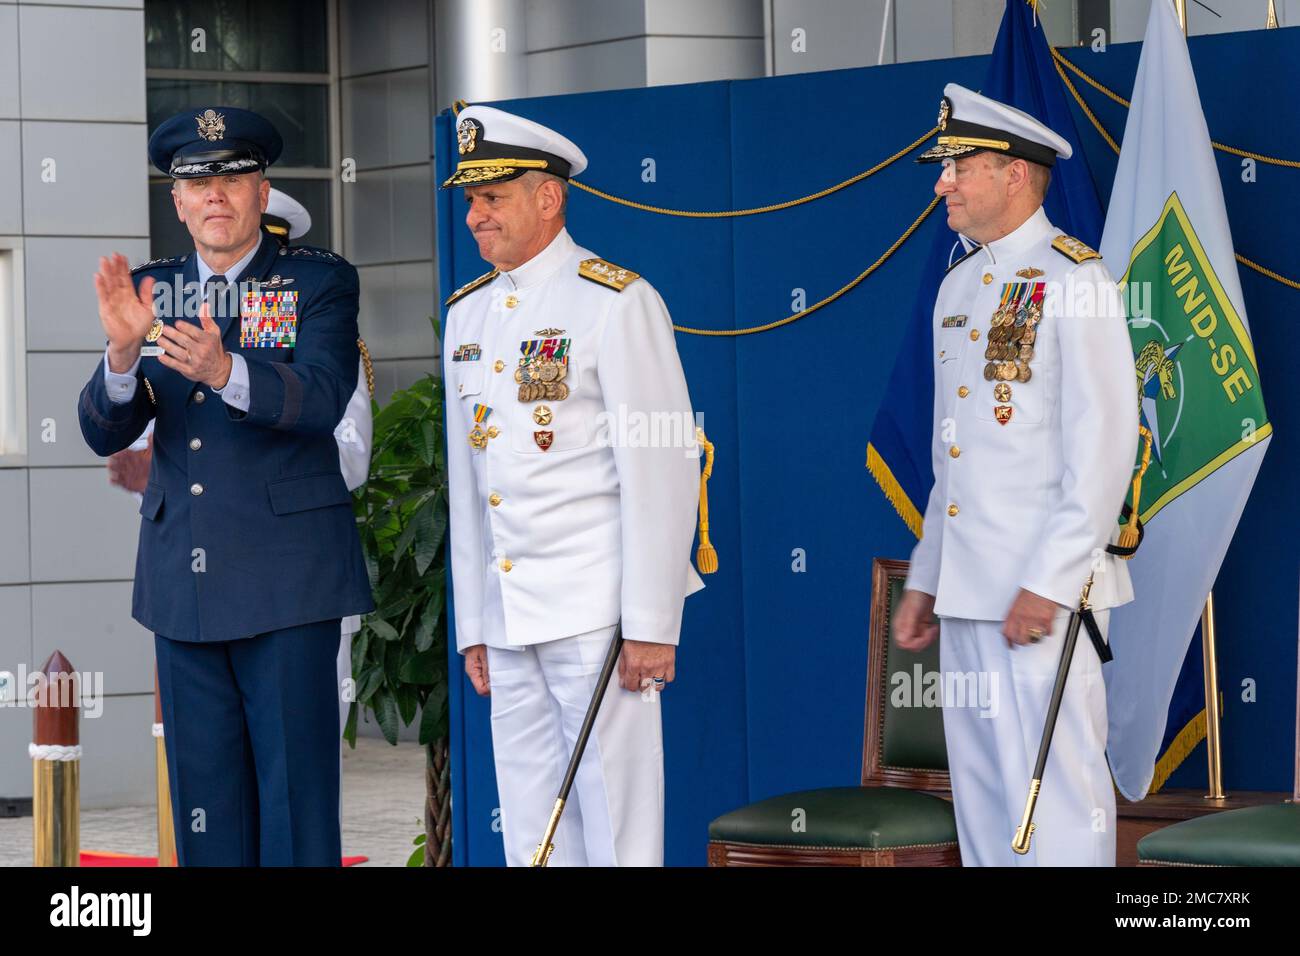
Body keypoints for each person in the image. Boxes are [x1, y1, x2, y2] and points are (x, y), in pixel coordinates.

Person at [78, 106, 373, 866]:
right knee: (204, 810)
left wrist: (224, 370)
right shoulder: (153, 289)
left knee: (295, 810)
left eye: (233, 176)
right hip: (185, 584)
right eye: (196, 182)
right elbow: (107, 430)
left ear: (260, 189)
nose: (215, 194)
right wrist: (119, 354)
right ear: (176, 201)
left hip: (288, 583)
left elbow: (323, 393)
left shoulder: (318, 281)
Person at [441, 105, 704, 866]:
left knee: (615, 824)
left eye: (492, 198)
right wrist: (475, 621)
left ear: (548, 197)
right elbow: (470, 480)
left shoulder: (615, 301)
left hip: (599, 616)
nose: (474, 216)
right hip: (509, 614)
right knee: (535, 829)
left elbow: (662, 466)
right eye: (471, 200)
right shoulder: (468, 314)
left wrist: (653, 619)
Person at [891, 84, 1138, 867]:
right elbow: (950, 460)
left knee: (1052, 801)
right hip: (969, 592)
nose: (943, 182)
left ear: (1017, 175)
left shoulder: (1076, 279)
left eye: (959, 165)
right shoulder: (960, 288)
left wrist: (1052, 581)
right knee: (989, 806)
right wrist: (927, 577)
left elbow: (1103, 446)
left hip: (1041, 595)